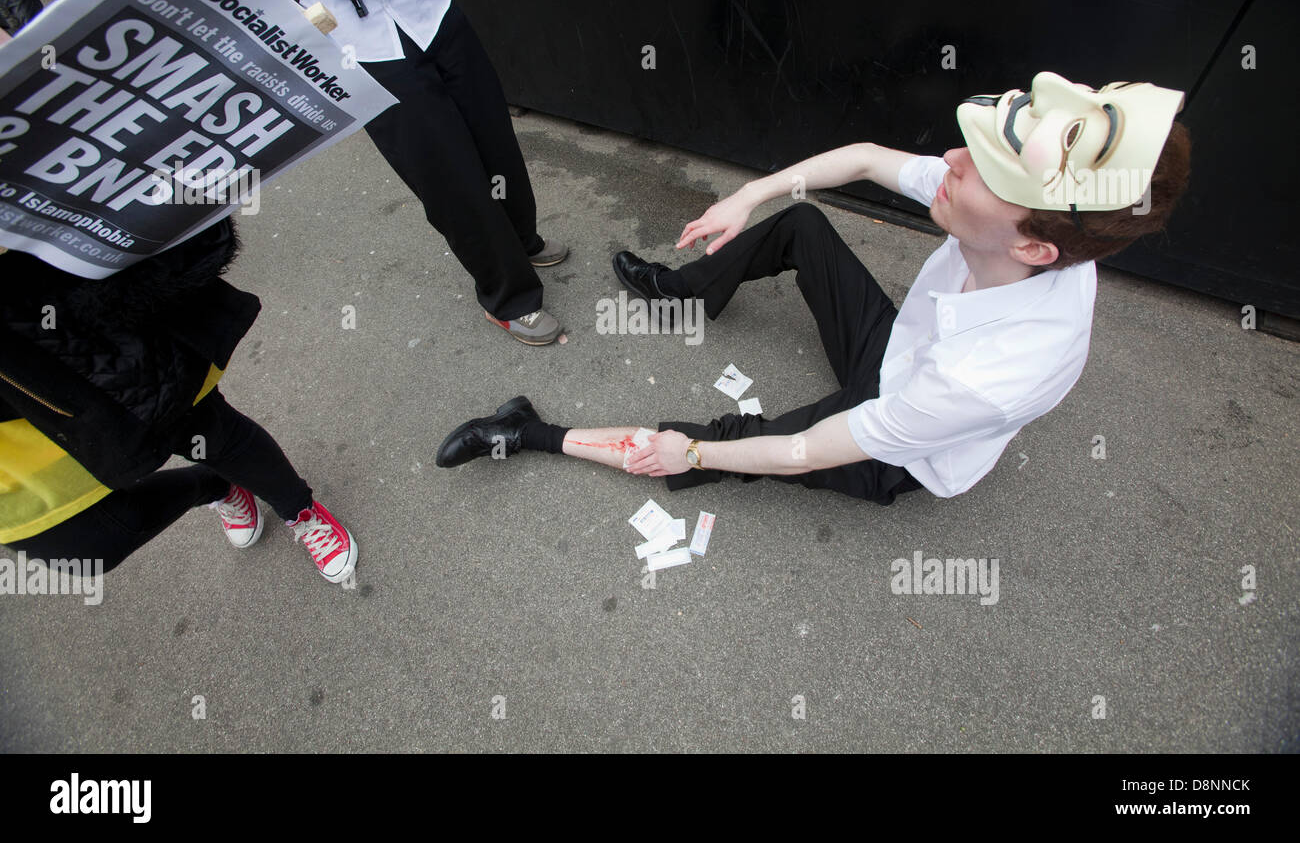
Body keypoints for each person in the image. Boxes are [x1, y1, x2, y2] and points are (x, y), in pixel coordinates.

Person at [436, 72, 1192, 504]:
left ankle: (525, 430)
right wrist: (749, 196)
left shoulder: (988, 378)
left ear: (1033, 244)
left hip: (903, 442)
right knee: (801, 225)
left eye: (986, 169)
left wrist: (693, 457)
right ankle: (685, 295)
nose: (954, 157)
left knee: (712, 444)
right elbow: (864, 157)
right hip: (902, 354)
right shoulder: (1026, 228)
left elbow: (799, 452)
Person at [129, 0, 568, 345]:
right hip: (339, 22)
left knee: (491, 127)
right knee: (443, 166)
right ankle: (507, 294)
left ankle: (522, 239)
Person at [0, 219, 357, 581]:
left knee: (200, 427)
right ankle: (219, 484)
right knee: (87, 547)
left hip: (42, 348)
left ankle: (300, 510)